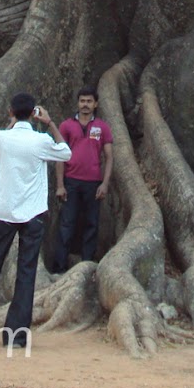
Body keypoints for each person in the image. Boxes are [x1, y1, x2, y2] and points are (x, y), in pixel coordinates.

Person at [0, 93, 70, 347]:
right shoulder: (41, 140)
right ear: (34, 113)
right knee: (26, 272)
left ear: (10, 111)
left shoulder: (2, 138)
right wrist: (51, 123)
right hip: (32, 214)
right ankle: (15, 337)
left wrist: (8, 125)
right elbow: (65, 153)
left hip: (4, 213)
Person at [51, 87, 113, 273]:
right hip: (71, 181)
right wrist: (60, 185)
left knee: (91, 223)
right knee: (67, 223)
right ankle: (59, 268)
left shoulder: (102, 127)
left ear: (96, 104)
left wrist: (105, 183)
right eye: (82, 101)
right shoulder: (66, 125)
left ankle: (87, 266)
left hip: (93, 183)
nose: (85, 105)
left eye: (89, 101)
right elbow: (60, 156)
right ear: (77, 103)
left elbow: (109, 157)